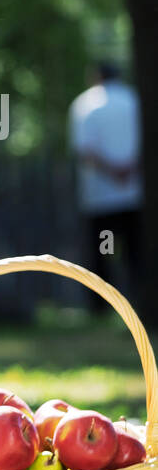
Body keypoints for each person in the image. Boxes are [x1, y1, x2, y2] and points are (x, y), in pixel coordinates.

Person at [70, 62, 142, 308]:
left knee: (105, 250)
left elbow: (85, 150)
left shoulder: (85, 104)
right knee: (136, 251)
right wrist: (127, 169)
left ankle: (102, 304)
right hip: (134, 193)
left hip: (101, 198)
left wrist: (112, 171)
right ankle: (140, 298)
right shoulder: (135, 101)